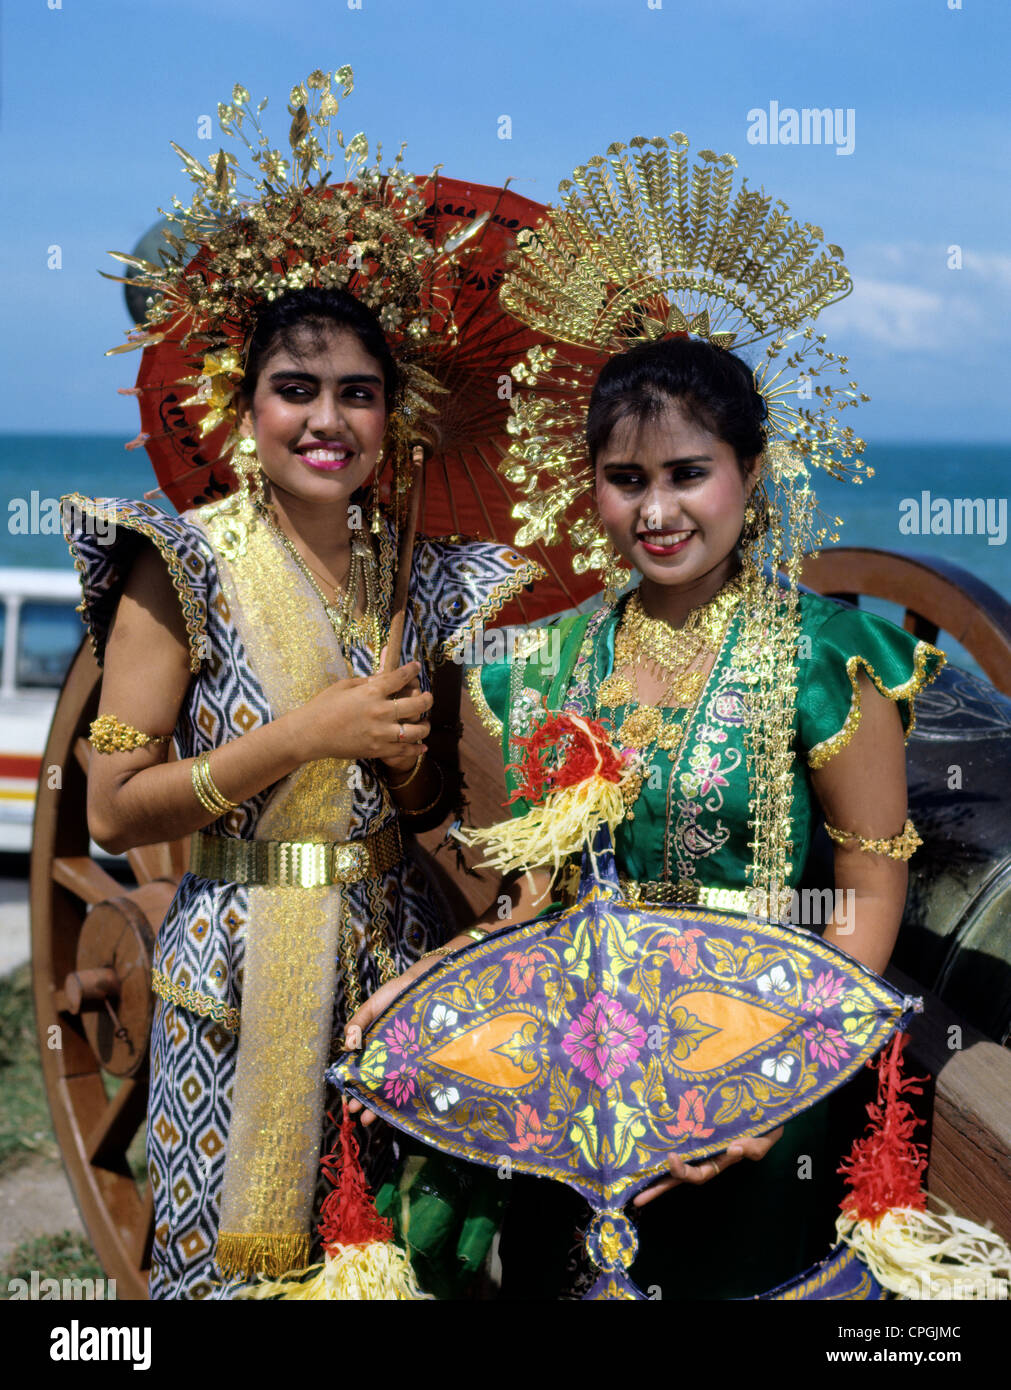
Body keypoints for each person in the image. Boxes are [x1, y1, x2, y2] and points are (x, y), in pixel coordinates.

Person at [345, 136, 946, 1299]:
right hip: (580, 1108)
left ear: (752, 474)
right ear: (593, 489)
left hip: (767, 1105)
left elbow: (869, 890)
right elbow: (537, 903)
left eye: (689, 472)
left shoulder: (825, 658)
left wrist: (774, 1086)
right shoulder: (557, 662)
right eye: (627, 480)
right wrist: (424, 999)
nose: (658, 510)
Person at [61, 69, 543, 1300]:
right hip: (236, 976)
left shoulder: (420, 578)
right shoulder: (184, 566)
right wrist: (306, 732)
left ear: (397, 414)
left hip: (394, 975)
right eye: (298, 389)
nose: (327, 420)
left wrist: (409, 759)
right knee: (230, 1274)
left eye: (358, 394)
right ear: (246, 404)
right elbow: (115, 809)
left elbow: (435, 801)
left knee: (395, 1259)